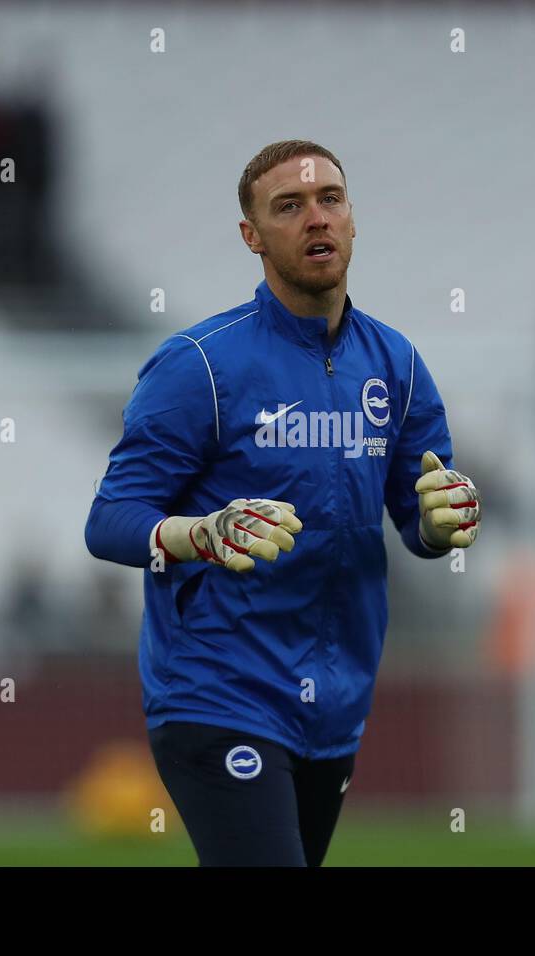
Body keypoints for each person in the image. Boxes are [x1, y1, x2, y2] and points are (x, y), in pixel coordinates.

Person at [83, 140, 482, 866]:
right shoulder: (199, 366)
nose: (316, 219)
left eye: (330, 199)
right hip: (218, 693)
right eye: (289, 207)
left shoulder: (395, 363)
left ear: (354, 219)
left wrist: (439, 520)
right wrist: (201, 533)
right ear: (252, 235)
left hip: (335, 704)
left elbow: (418, 513)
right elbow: (109, 519)